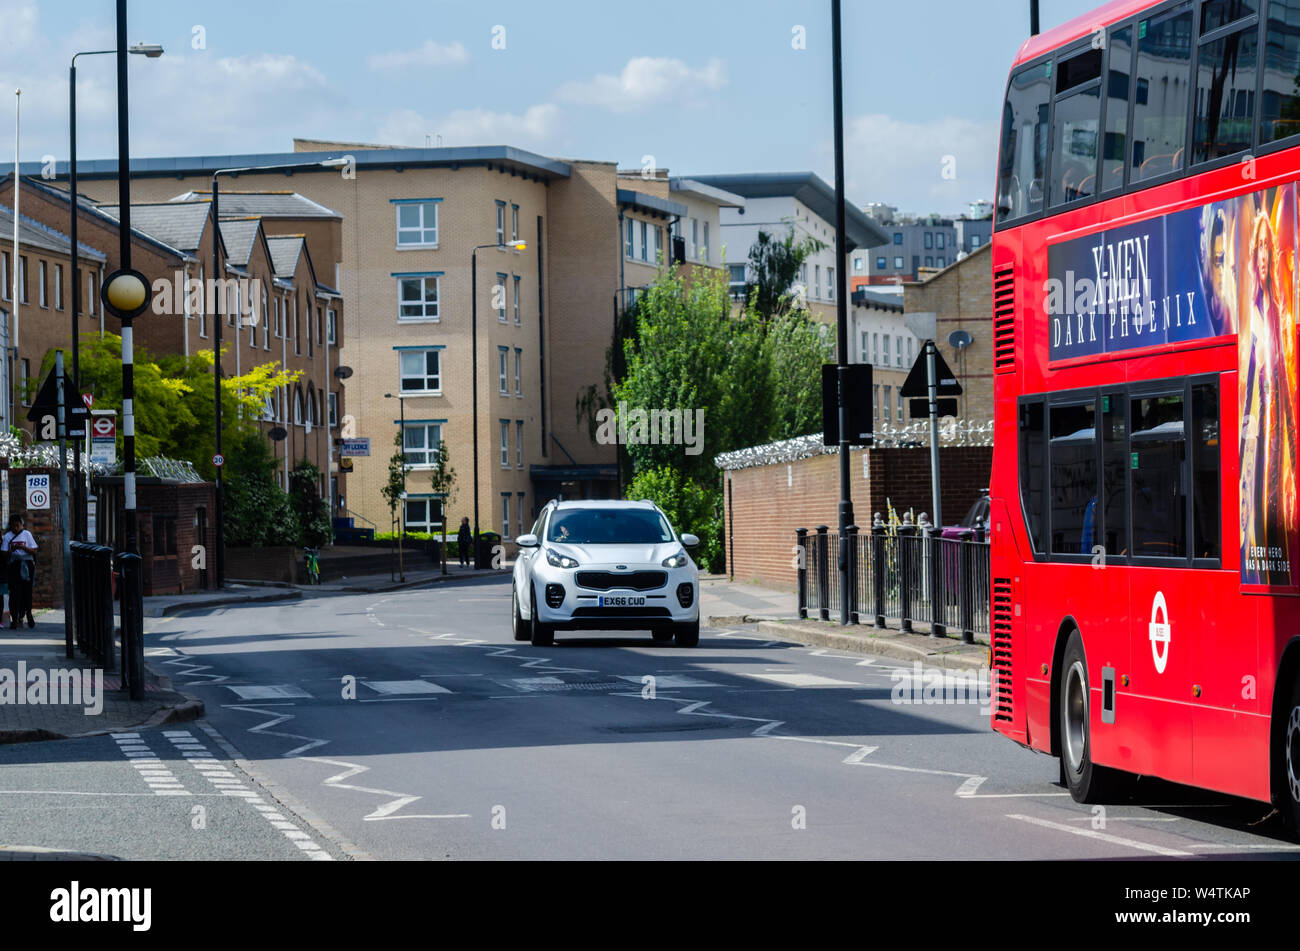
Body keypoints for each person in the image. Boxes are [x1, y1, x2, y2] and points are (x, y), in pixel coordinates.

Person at [3, 513, 37, 629]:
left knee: (27, 591)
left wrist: (23, 548)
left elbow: (34, 550)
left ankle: (28, 614)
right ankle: (15, 617)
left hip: (26, 565)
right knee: (15, 593)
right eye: (14, 526)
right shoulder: (8, 536)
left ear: (22, 525)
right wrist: (11, 551)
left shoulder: (27, 534)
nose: (16, 528)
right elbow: (3, 554)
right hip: (14, 566)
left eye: (18, 526)